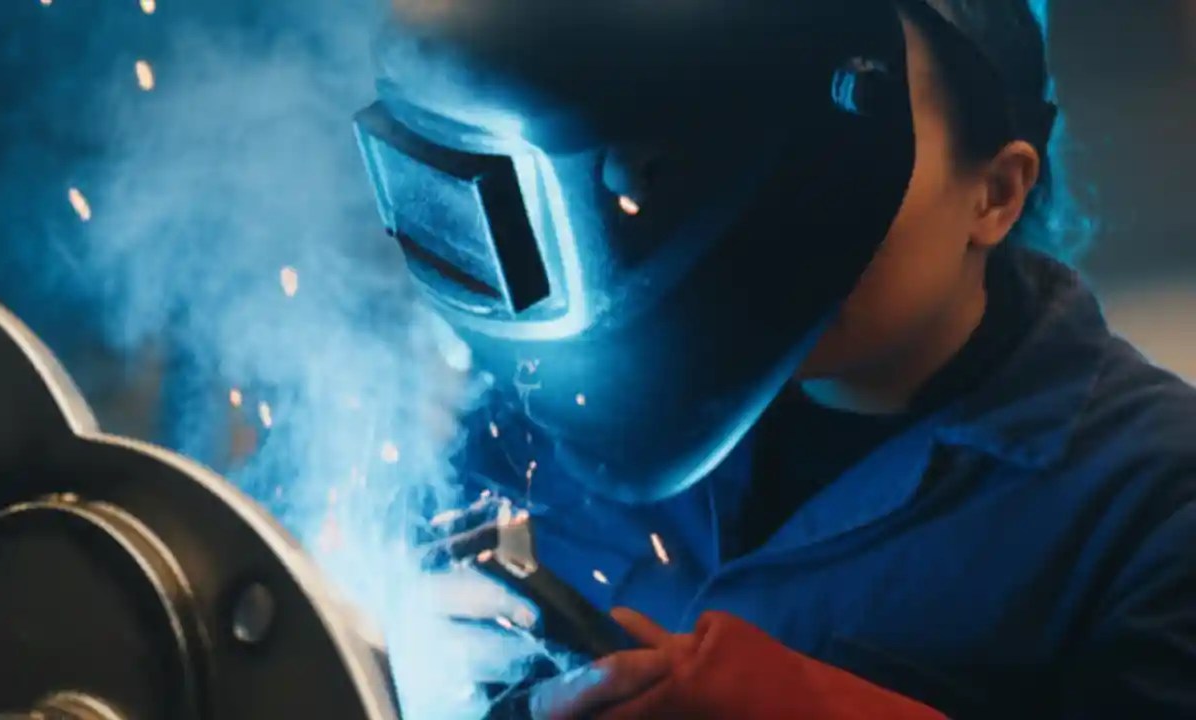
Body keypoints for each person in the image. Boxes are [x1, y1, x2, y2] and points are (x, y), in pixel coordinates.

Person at [355, 0, 1196, 717]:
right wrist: (403, 667)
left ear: (997, 193)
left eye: (832, 155)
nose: (766, 214)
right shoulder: (566, 394)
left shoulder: (1154, 502)